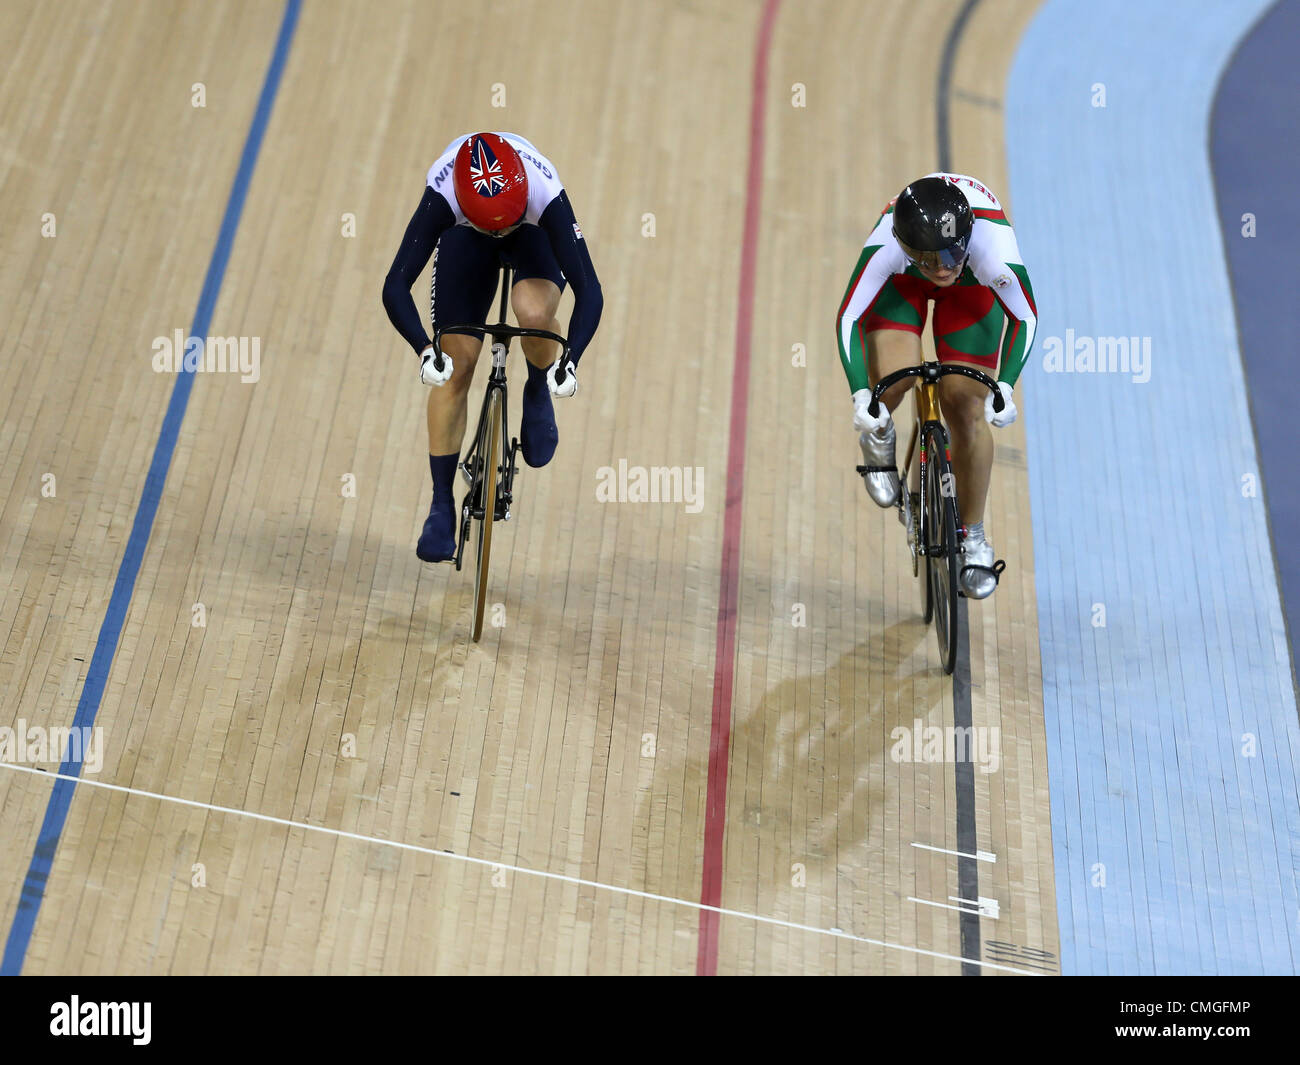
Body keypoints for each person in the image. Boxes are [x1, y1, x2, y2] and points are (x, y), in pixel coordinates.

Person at [382, 132, 602, 562]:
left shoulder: (544, 191)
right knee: (456, 362)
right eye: (496, 224)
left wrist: (570, 360)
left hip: (532, 236)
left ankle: (536, 388)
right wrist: (424, 350)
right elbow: (394, 286)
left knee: (534, 313)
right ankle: (441, 505)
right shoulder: (442, 194)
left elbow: (590, 290)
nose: (503, 229)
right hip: (468, 240)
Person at [835, 173, 1037, 599]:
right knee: (896, 378)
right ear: (904, 246)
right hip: (903, 285)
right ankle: (879, 439)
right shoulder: (887, 247)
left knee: (964, 405)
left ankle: (974, 538)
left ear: (968, 238)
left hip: (972, 292)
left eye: (951, 254)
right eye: (929, 259)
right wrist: (861, 395)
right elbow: (848, 318)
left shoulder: (992, 251)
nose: (943, 268)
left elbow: (1026, 317)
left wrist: (1005, 386)